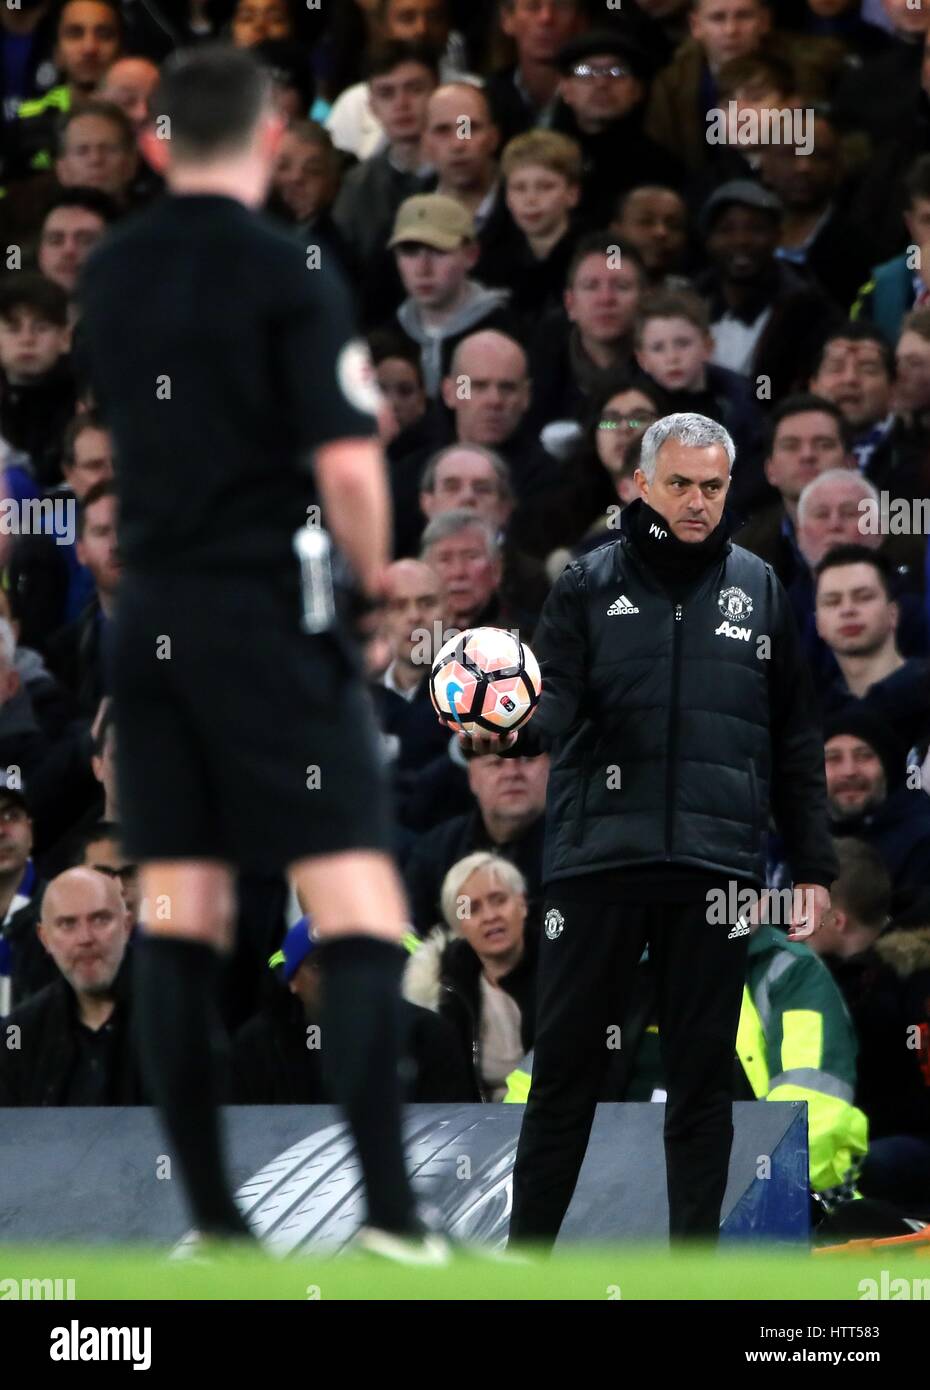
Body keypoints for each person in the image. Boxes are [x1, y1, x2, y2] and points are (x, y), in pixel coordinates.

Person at [77, 44, 438, 1259]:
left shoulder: (114, 271)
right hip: (270, 621)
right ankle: (392, 1216)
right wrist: (378, 578)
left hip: (151, 620)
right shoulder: (293, 267)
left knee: (177, 908)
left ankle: (217, 1224)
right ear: (275, 140)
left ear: (153, 142)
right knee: (359, 896)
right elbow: (345, 460)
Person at [462, 411, 838, 1248]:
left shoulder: (760, 586)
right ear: (641, 484)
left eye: (712, 486)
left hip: (715, 868)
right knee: (565, 1073)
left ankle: (690, 1271)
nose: (698, 501)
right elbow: (554, 701)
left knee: (702, 1080)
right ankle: (525, 1265)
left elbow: (795, 734)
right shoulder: (588, 584)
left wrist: (811, 862)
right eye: (680, 484)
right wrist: (511, 723)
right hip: (600, 861)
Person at [231, 916, 473, 1103]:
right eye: (320, 964)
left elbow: (449, 1132)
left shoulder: (428, 1036)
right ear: (293, 980)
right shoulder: (258, 1047)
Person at [0, 866, 144, 1106]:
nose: (85, 938)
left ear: (126, 926)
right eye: (68, 924)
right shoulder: (17, 1031)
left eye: (100, 919)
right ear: (44, 937)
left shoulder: (181, 1014)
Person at [403, 852, 539, 1100]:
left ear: (522, 905)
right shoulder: (442, 990)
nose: (490, 916)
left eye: (499, 900)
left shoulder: (558, 975)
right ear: (458, 925)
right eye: (472, 908)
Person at [404, 745, 549, 935]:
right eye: (496, 763)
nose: (512, 773)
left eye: (527, 759)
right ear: (472, 776)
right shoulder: (436, 851)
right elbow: (408, 934)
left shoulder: (574, 851)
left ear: (551, 768)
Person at [814, 544, 930, 751]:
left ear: (893, 613)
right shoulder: (814, 715)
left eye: (863, 597)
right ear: (818, 624)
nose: (847, 610)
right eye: (832, 602)